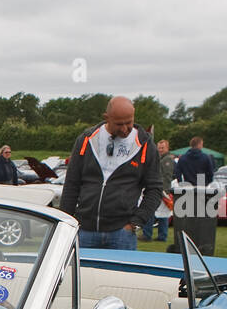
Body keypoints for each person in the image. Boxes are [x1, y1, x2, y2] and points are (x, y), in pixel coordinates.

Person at [60, 97, 162, 250]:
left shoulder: (145, 145)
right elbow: (71, 184)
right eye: (119, 124)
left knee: (121, 275)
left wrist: (136, 222)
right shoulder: (86, 140)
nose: (125, 129)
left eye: (129, 122)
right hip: (85, 230)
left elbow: (155, 189)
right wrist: (67, 222)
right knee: (80, 274)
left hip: (122, 233)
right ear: (106, 118)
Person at [142, 138, 175, 242]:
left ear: (167, 148)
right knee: (161, 213)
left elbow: (166, 176)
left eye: (162, 147)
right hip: (158, 188)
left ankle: (149, 235)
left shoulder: (167, 160)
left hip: (161, 189)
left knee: (155, 212)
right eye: (159, 147)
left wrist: (163, 190)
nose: (160, 149)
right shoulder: (160, 158)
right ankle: (160, 236)